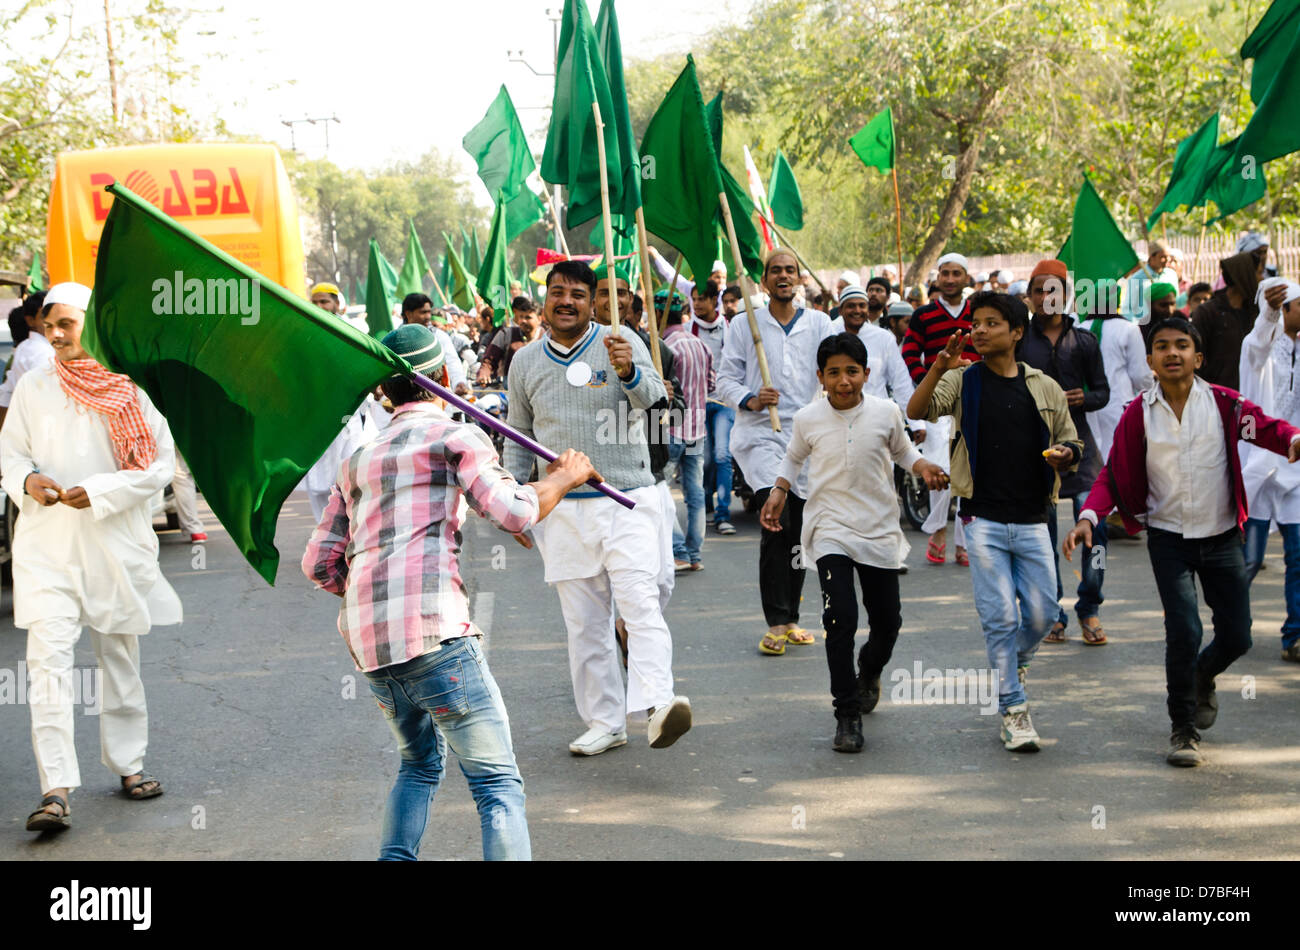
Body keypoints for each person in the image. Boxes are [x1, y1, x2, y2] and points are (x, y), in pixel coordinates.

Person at [303, 324, 600, 859]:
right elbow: (512, 510)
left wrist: (377, 595)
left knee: (417, 766)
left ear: (384, 391)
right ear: (442, 377)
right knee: (497, 787)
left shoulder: (359, 458)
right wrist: (562, 477)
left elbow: (319, 563)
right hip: (435, 635)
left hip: (372, 643)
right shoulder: (455, 436)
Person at [1064, 316, 1300, 766]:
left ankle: (1201, 677)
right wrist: (1090, 516)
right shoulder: (1137, 414)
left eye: (1181, 345)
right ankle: (1183, 728)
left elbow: (1267, 428)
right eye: (1162, 347)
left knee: (1238, 637)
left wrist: (1293, 438)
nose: (1172, 353)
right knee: (1184, 630)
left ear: (1198, 357)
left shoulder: (1226, 406)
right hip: (1169, 538)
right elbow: (1113, 474)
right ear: (1150, 360)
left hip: (1223, 535)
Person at [1, 282, 182, 832]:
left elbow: (158, 465)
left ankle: (128, 765)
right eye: (48, 325)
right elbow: (11, 452)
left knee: (119, 659)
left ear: (91, 325)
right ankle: (54, 788)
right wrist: (27, 479)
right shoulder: (34, 386)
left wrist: (100, 492)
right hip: (47, 549)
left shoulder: (130, 389)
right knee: (46, 666)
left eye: (66, 325)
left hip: (113, 546)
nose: (54, 335)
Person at [504, 260, 691, 755]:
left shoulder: (621, 343)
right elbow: (519, 433)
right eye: (557, 292)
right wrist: (514, 499)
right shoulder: (523, 362)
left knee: (639, 603)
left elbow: (657, 407)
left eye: (578, 294)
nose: (566, 301)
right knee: (584, 624)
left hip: (626, 498)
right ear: (544, 300)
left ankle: (659, 704)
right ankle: (605, 721)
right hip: (562, 510)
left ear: (593, 303)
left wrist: (629, 369)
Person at [908, 291, 1082, 753]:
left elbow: (1071, 442)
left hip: (1033, 518)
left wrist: (1065, 455)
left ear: (1017, 332)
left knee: (1045, 614)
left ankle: (1013, 662)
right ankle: (1013, 707)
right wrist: (940, 366)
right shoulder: (964, 380)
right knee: (1000, 617)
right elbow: (917, 410)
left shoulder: (1043, 386)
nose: (979, 331)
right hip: (981, 518)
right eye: (975, 323)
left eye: (991, 323)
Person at [762, 333, 947, 752]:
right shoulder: (808, 418)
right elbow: (793, 457)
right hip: (830, 527)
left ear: (866, 373)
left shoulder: (885, 411)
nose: (843, 381)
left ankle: (869, 668)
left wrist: (924, 466)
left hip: (879, 527)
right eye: (834, 373)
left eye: (851, 372)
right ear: (821, 378)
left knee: (887, 623)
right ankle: (846, 713)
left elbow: (903, 452)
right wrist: (778, 489)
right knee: (839, 619)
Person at [716, 249, 836, 656]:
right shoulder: (743, 323)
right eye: (775, 271)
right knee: (776, 516)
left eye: (790, 270)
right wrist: (751, 397)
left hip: (807, 437)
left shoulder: (820, 323)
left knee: (802, 529)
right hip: (761, 434)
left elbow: (836, 370)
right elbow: (725, 379)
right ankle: (775, 620)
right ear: (763, 280)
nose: (783, 276)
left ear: (799, 278)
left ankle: (793, 618)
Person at [1017, 259, 1110, 645]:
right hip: (1038, 450)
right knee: (1043, 535)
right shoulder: (1020, 339)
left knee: (1097, 532)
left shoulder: (1085, 341)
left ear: (1065, 296)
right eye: (1038, 290)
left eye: (1053, 290)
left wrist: (1084, 398)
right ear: (1030, 296)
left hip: (1082, 449)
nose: (1045, 297)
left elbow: (1103, 392)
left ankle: (1090, 608)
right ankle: (1053, 611)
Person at [596, 266, 684, 666]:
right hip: (599, 487)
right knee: (613, 585)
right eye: (602, 292)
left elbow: (676, 408)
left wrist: (660, 396)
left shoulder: (658, 349)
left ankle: (628, 628)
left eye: (620, 292)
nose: (612, 301)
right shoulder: (571, 353)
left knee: (662, 578)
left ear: (632, 299)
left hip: (651, 477)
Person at [901, 252, 981, 566]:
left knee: (971, 467)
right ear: (938, 277)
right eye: (944, 273)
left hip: (974, 397)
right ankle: (938, 531)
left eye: (956, 273)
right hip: (937, 402)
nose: (949, 279)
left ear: (965, 277)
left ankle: (963, 539)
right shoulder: (923, 315)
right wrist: (927, 382)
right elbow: (909, 352)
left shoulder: (979, 312)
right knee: (940, 468)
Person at [1238, 279, 1300, 664]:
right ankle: (1232, 625)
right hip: (1260, 466)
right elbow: (1259, 344)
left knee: (1298, 557)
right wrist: (1268, 313)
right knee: (1247, 560)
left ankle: (1295, 635)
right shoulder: (1255, 348)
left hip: (1296, 465)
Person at [302, 285, 382, 520]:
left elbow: (366, 366)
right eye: (314, 302)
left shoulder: (353, 331)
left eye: (324, 302)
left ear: (337, 304)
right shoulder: (305, 333)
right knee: (318, 485)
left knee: (351, 478)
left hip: (350, 418)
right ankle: (327, 540)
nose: (319, 307)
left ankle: (351, 540)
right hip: (317, 418)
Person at [830, 285, 925, 442]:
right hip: (838, 419)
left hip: (877, 418)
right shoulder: (829, 332)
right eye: (851, 306)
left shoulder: (883, 337)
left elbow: (900, 381)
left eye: (862, 305)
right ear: (840, 310)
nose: (857, 310)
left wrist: (915, 422)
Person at [662, 285, 714, 571]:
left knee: (661, 490)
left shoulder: (666, 349)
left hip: (671, 429)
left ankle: (680, 551)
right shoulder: (699, 344)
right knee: (694, 494)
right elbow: (711, 385)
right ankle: (693, 554)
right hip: (697, 429)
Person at [690, 280, 736, 535]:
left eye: (702, 299)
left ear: (713, 301)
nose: (697, 303)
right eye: (694, 299)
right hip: (697, 404)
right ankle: (706, 503)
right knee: (705, 461)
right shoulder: (687, 330)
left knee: (722, 456)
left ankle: (723, 514)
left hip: (724, 402)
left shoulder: (728, 328)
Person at [1191, 251, 1265, 390]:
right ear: (1245, 276)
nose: (1262, 279)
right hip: (1217, 397)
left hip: (1252, 393)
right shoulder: (1208, 312)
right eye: (1259, 273)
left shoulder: (1258, 312)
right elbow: (1195, 358)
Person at [0, 290, 52, 429]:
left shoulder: (25, 347)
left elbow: (7, 391)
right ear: (30, 320)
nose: (52, 321)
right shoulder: (42, 353)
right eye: (45, 315)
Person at [476, 296, 541, 385]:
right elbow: (489, 360)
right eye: (521, 317)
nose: (523, 321)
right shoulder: (506, 334)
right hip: (508, 390)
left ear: (539, 319)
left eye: (528, 317)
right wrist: (484, 373)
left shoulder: (548, 338)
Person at [1122, 239, 1175, 322]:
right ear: (1152, 257)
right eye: (1163, 257)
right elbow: (1128, 308)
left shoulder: (1171, 275)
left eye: (1169, 256)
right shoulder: (1137, 278)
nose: (1167, 260)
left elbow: (1176, 301)